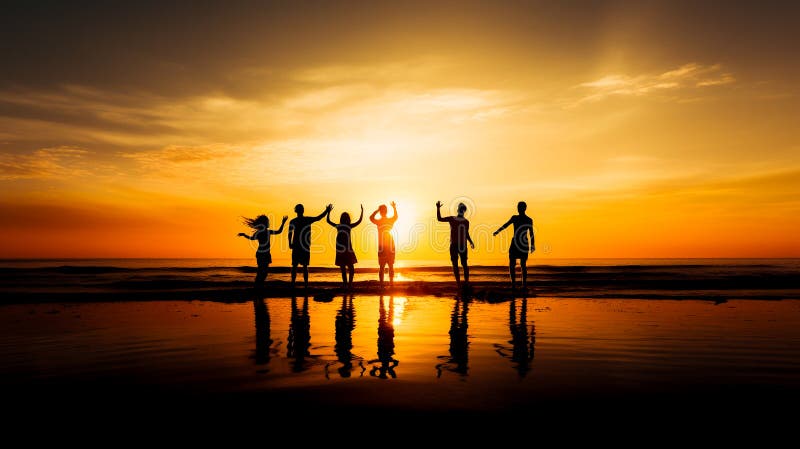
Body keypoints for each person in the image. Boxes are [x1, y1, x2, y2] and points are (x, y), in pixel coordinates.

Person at [288, 203, 332, 289]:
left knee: (295, 266)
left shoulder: (293, 221)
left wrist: (290, 243)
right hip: (304, 246)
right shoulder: (306, 220)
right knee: (304, 266)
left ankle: (293, 285)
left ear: (296, 211)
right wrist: (326, 211)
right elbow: (318, 218)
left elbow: (289, 234)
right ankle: (305, 285)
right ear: (302, 210)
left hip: (297, 245)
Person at [493, 201, 535, 290]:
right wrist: (498, 231)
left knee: (522, 264)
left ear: (523, 208)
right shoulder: (516, 218)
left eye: (519, 207)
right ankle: (514, 285)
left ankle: (523, 285)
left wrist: (532, 245)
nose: (518, 209)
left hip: (521, 243)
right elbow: (506, 225)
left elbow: (531, 233)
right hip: (519, 243)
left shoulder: (528, 220)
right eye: (518, 207)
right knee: (513, 263)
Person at [237, 214, 287, 288]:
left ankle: (258, 286)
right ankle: (258, 286)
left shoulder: (261, 232)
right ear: (264, 223)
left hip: (262, 254)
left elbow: (251, 238)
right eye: (268, 222)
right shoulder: (266, 232)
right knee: (263, 272)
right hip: (263, 254)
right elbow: (279, 231)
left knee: (262, 272)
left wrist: (244, 235)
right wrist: (283, 223)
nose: (269, 223)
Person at [436, 201, 475, 287]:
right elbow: (439, 219)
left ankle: (463, 283)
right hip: (457, 245)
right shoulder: (455, 219)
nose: (461, 211)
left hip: (459, 245)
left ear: (462, 210)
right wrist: (438, 208)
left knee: (461, 265)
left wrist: (471, 241)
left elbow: (466, 234)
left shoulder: (464, 221)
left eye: (462, 210)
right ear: (459, 210)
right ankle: (462, 283)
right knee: (460, 264)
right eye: (461, 209)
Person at [326, 204, 364, 290]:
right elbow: (359, 221)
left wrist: (328, 212)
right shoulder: (346, 226)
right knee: (349, 268)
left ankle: (347, 285)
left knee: (345, 268)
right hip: (345, 249)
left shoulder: (340, 226)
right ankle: (347, 284)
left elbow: (328, 221)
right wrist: (362, 211)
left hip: (343, 249)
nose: (346, 219)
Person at [369, 201, 398, 288]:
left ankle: (390, 284)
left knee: (390, 266)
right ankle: (383, 284)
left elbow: (396, 217)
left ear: (384, 212)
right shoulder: (380, 221)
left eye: (383, 210)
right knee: (383, 266)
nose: (383, 212)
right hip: (383, 246)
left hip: (389, 245)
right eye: (382, 211)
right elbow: (371, 218)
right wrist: (378, 210)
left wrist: (394, 208)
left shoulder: (387, 220)